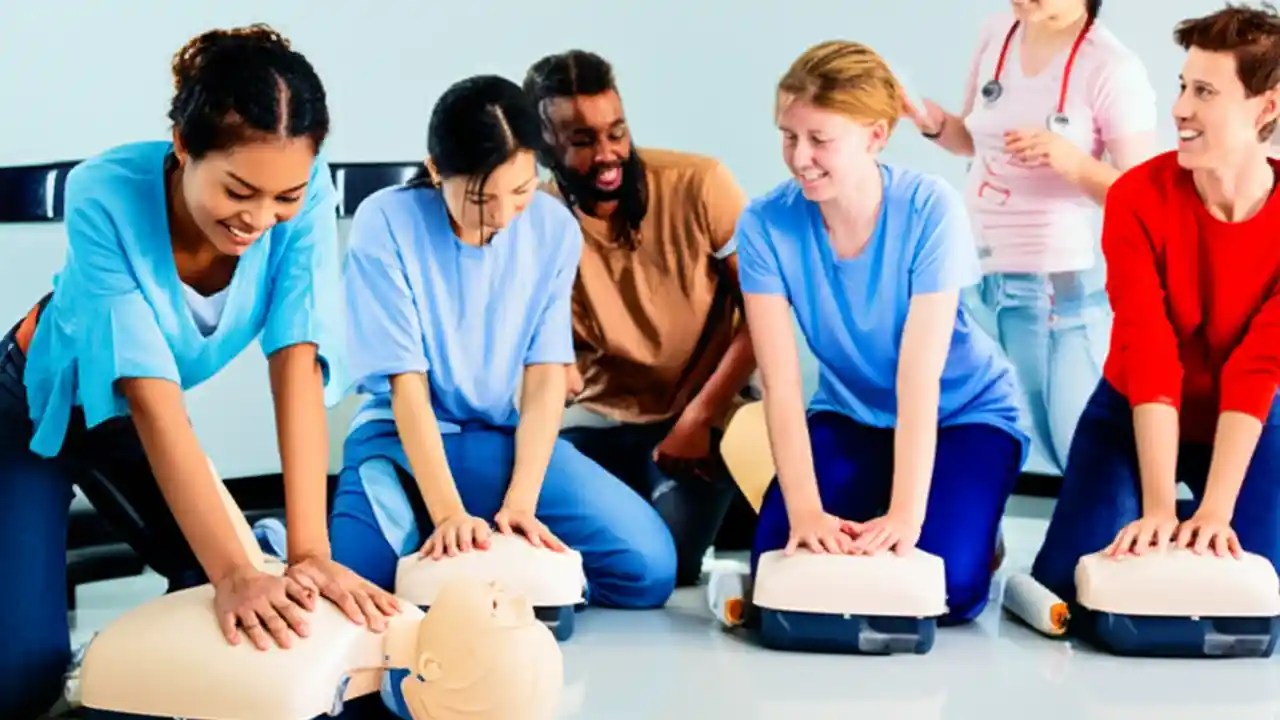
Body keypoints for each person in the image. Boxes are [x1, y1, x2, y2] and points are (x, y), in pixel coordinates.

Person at [0, 25, 398, 719]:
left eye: (283, 198)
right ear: (183, 146)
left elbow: (297, 367)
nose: (261, 218)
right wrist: (236, 571)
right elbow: (154, 403)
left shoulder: (298, 197)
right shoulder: (105, 193)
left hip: (123, 421)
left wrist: (309, 551)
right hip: (28, 408)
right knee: (20, 682)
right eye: (239, 191)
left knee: (245, 598)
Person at [329, 74, 677, 611]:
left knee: (648, 572)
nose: (500, 216)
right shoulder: (387, 220)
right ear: (435, 171)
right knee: (360, 594)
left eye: (518, 192)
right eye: (480, 198)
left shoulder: (552, 227)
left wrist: (521, 504)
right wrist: (446, 513)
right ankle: (409, 523)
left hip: (501, 441)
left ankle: (469, 544)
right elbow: (407, 387)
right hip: (400, 440)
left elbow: (544, 378)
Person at [735, 40, 1029, 626]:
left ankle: (971, 523)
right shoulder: (765, 223)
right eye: (789, 135)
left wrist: (904, 518)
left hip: (963, 414)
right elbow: (782, 382)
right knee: (779, 561)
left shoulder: (930, 210)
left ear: (875, 135)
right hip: (851, 414)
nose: (799, 157)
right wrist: (808, 512)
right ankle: (868, 500)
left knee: (951, 587)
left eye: (821, 139)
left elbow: (918, 379)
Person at [1030, 4, 1280, 604]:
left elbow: (1259, 368)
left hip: (1250, 416)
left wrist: (1215, 514)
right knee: (1074, 584)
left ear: (1266, 106)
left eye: (1205, 92)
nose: (1180, 109)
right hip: (1129, 412)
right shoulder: (1136, 198)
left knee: (1254, 591)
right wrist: (1160, 510)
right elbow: (1149, 353)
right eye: (1182, 86)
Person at [522, 50, 759, 586]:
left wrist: (700, 417)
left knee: (665, 565)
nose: (608, 154)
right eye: (582, 141)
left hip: (699, 416)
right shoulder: (534, 215)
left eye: (616, 133)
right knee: (552, 546)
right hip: (598, 417)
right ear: (542, 149)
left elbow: (767, 314)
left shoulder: (701, 184)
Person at [903, 0, 1159, 475]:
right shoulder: (999, 31)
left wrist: (1073, 162)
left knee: (1073, 444)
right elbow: (973, 140)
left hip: (1052, 285)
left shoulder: (1111, 67)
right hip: (977, 271)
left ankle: (1124, 537)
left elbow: (1145, 200)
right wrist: (933, 123)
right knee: (994, 425)